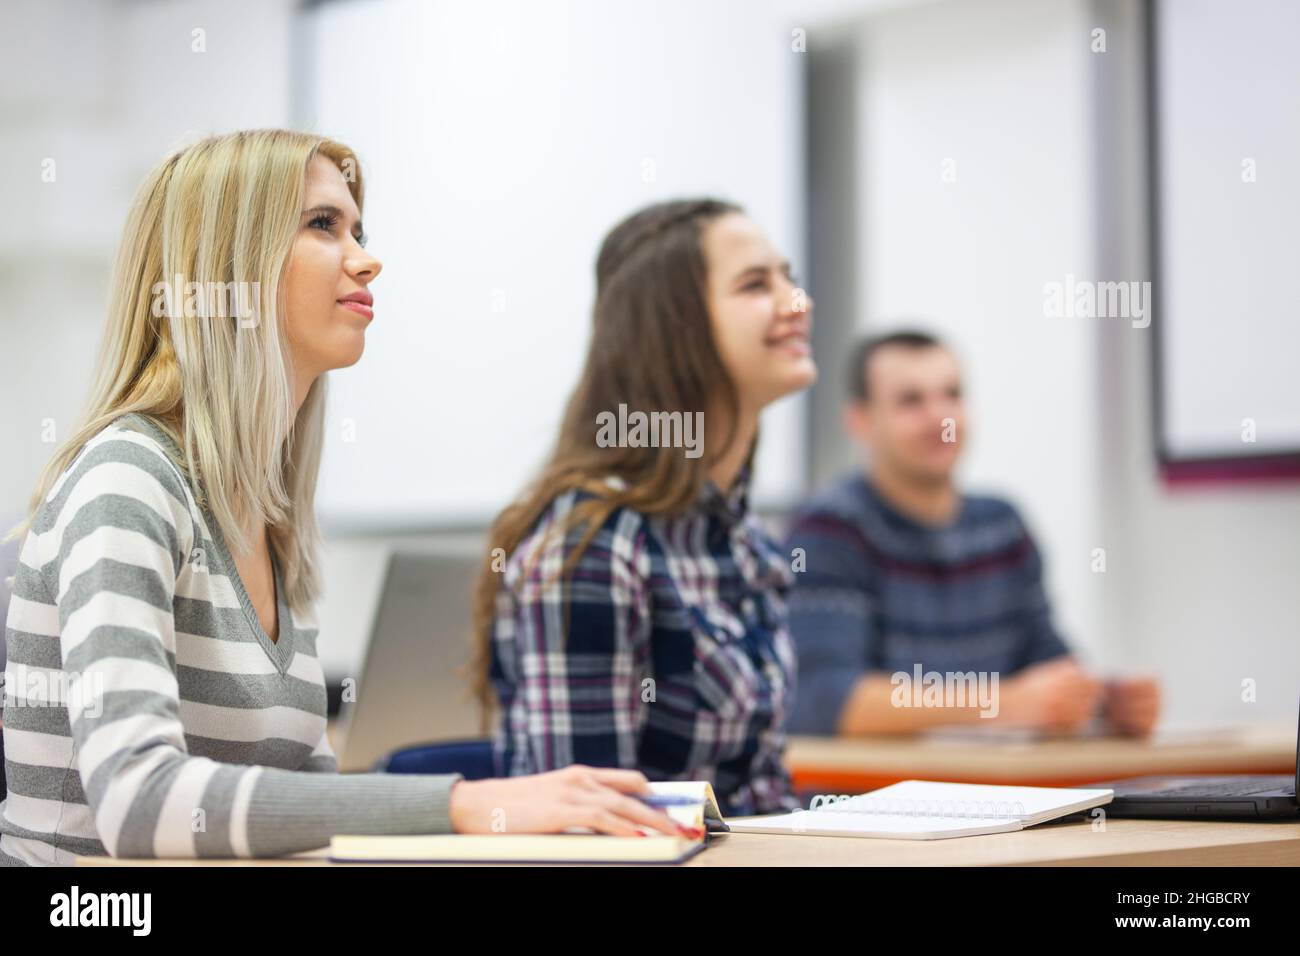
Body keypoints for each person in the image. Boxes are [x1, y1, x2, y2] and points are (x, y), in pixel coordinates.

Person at [0, 129, 681, 866]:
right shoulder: (126, 477)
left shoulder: (264, 513)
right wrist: (463, 806)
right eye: (324, 225)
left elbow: (304, 799)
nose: (367, 256)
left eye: (358, 228)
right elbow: (142, 804)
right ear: (227, 264)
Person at [474, 199, 816, 816]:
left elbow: (764, 795)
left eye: (788, 277)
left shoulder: (743, 537)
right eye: (756, 284)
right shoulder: (592, 550)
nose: (799, 302)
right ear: (674, 325)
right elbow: (588, 835)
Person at [785, 330, 1160, 737]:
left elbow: (1049, 666)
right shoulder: (828, 531)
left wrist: (1102, 702)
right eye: (911, 401)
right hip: (876, 796)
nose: (940, 418)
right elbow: (823, 699)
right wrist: (1001, 703)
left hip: (998, 794)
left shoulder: (1003, 527)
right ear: (859, 420)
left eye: (952, 395)